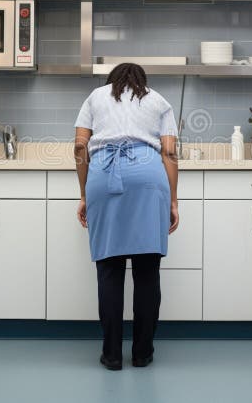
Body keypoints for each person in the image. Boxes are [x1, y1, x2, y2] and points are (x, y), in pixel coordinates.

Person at [73, 63, 180, 371]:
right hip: (148, 177)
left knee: (109, 269)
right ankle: (142, 353)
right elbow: (169, 153)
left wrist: (85, 193)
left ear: (113, 81)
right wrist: (172, 201)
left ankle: (112, 355)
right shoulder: (158, 100)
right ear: (141, 82)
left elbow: (80, 146)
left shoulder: (95, 96)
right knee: (147, 272)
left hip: (104, 177)